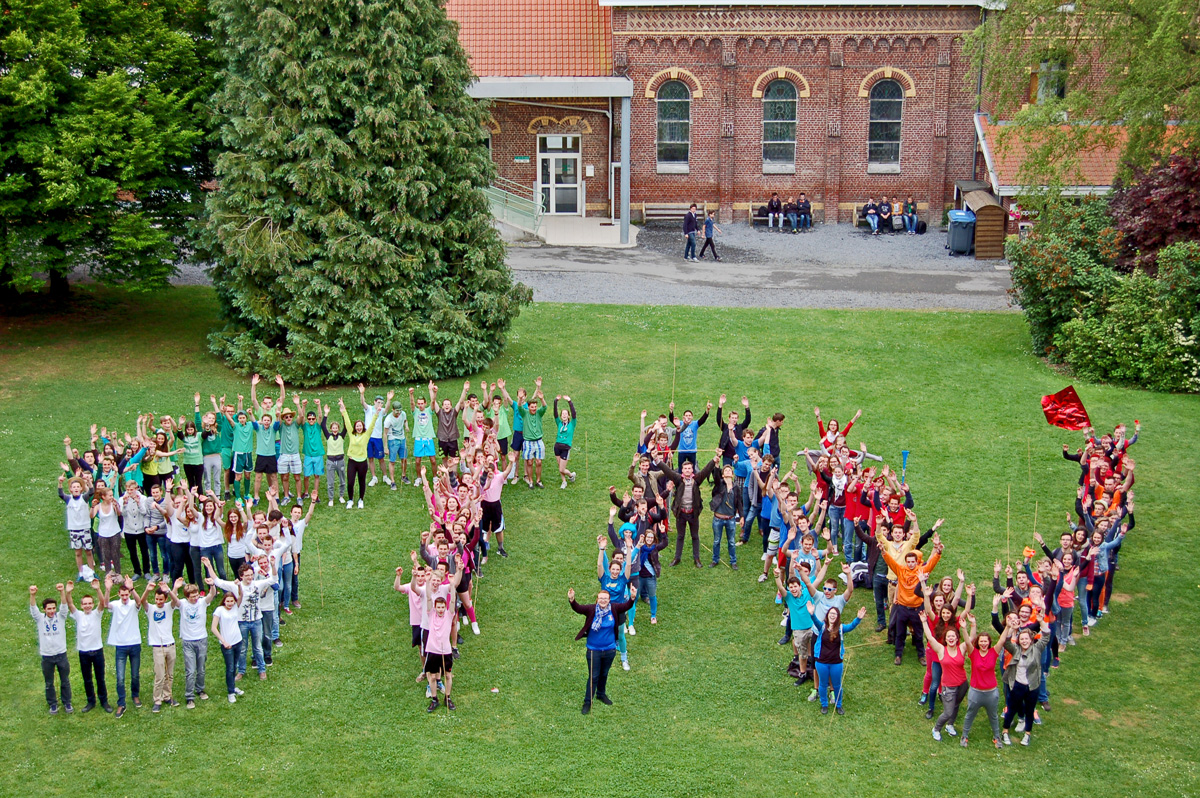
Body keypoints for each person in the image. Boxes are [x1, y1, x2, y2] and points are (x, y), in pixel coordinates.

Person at [568, 584, 636, 714]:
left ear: (609, 600)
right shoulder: (591, 609)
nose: (603, 600)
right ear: (597, 600)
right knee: (593, 676)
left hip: (610, 650)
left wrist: (632, 597)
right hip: (594, 650)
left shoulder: (614, 608)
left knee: (604, 674)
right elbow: (578, 608)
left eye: (605, 598)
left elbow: (626, 606)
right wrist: (572, 600)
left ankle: (601, 694)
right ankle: (588, 702)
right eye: (601, 598)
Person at [881, 535, 943, 665]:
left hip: (917, 608)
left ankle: (921, 655)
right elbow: (890, 561)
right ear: (906, 562)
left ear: (916, 562)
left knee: (919, 634)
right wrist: (883, 551)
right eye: (908, 562)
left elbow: (932, 564)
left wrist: (938, 551)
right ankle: (898, 655)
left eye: (912, 562)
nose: (910, 564)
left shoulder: (921, 570)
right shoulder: (900, 570)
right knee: (900, 633)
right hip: (903, 608)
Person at [659, 451, 721, 567]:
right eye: (685, 468)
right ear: (682, 470)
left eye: (689, 468)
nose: (687, 470)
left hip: (693, 514)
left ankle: (697, 559)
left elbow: (706, 469)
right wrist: (657, 461)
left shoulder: (697, 479)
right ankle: (677, 558)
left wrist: (715, 459)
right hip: (681, 513)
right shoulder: (678, 479)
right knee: (680, 536)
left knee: (695, 536)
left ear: (692, 470)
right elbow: (667, 470)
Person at [961, 602, 1009, 749]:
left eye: (985, 641)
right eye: (981, 641)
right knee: (970, 715)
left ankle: (997, 737)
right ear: (978, 643)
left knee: (993, 716)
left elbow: (1002, 640)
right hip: (975, 691)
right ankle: (964, 736)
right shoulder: (973, 653)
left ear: (989, 643)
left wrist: (1008, 626)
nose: (983, 643)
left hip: (991, 692)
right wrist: (965, 627)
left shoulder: (994, 652)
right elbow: (968, 641)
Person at [1001, 616, 1053, 746]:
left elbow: (1046, 635)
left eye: (1026, 639)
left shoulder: (1037, 649)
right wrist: (1010, 627)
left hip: (1032, 686)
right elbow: (1006, 641)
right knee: (1011, 708)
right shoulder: (1016, 649)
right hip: (1017, 684)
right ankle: (1005, 732)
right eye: (1022, 639)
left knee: (1029, 710)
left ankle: (1027, 734)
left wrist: (1041, 620)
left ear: (1031, 640)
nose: (1024, 641)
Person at [920, 609, 968, 740]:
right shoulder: (941, 650)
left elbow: (972, 639)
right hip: (948, 686)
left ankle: (950, 725)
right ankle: (936, 729)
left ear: (957, 638)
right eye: (949, 637)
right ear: (945, 639)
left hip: (963, 684)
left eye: (953, 636)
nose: (951, 638)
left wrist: (966, 627)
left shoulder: (961, 648)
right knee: (947, 712)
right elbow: (930, 637)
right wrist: (924, 622)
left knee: (956, 706)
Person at [810, 605, 867, 714]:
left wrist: (858, 618)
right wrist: (812, 613)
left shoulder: (841, 628)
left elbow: (851, 626)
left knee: (837, 685)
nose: (832, 615)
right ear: (827, 615)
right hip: (821, 662)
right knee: (822, 684)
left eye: (834, 614)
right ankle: (824, 705)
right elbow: (815, 620)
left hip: (836, 663)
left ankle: (838, 705)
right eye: (830, 613)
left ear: (838, 617)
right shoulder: (822, 627)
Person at [64, 580, 111, 712]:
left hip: (97, 651)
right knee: (87, 679)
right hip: (83, 652)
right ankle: (91, 702)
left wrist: (98, 589)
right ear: (81, 605)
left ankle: (104, 701)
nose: (87, 606)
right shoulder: (78, 615)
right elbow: (70, 604)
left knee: (100, 678)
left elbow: (102, 603)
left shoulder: (97, 614)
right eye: (85, 604)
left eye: (89, 603)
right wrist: (68, 593)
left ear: (92, 604)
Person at [104, 574, 145, 718]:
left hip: (134, 644)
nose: (125, 597)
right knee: (120, 677)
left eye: (127, 594)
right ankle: (121, 703)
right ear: (119, 595)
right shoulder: (115, 605)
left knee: (135, 674)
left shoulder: (134, 604)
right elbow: (105, 604)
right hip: (120, 645)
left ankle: (135, 695)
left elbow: (140, 602)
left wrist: (132, 588)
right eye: (123, 595)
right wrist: (107, 590)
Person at [29, 583, 71, 714]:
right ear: (44, 610)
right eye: (49, 609)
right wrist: (32, 595)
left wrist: (62, 591)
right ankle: (53, 704)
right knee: (49, 683)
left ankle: (67, 702)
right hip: (47, 656)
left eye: (53, 608)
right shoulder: (40, 619)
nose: (52, 611)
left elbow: (64, 606)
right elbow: (33, 608)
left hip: (61, 654)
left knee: (65, 680)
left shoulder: (61, 616)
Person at [340, 392, 387, 509]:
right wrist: (343, 409)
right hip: (352, 461)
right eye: (357, 426)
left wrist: (376, 414)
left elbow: (372, 425)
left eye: (361, 426)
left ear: (363, 427)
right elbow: (347, 422)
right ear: (355, 427)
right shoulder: (351, 434)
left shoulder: (366, 435)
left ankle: (361, 499)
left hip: (362, 462)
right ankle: (350, 500)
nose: (359, 427)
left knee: (361, 482)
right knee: (350, 482)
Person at [144, 578, 181, 712]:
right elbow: (142, 602)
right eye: (157, 599)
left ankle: (167, 696)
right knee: (159, 675)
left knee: (169, 674)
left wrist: (170, 590)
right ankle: (157, 699)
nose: (159, 602)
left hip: (170, 645)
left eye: (161, 599)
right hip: (157, 646)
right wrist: (147, 591)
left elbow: (176, 601)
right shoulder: (151, 609)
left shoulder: (168, 607)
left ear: (165, 599)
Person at [179, 580, 215, 708]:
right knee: (190, 670)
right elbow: (174, 601)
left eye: (196, 595)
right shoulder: (182, 604)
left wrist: (212, 585)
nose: (195, 598)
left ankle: (200, 689)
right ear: (187, 597)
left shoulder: (202, 602)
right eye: (192, 597)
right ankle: (189, 696)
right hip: (188, 640)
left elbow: (212, 595)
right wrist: (172, 589)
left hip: (201, 639)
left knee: (201, 668)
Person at [58, 473, 97, 581]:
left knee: (88, 550)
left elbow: (91, 491)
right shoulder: (68, 499)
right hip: (74, 529)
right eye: (73, 487)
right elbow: (60, 494)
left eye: (78, 487)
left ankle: (92, 572)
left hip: (84, 528)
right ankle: (80, 573)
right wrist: (60, 483)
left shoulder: (84, 498)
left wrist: (88, 481)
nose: (76, 489)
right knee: (78, 552)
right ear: (70, 489)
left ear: (81, 488)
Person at [210, 591, 245, 703]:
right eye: (228, 601)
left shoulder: (235, 607)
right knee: (230, 668)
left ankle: (233, 687)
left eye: (232, 601)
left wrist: (239, 585)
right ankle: (230, 692)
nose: (230, 603)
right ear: (224, 601)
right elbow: (213, 628)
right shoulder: (219, 610)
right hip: (227, 644)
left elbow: (241, 595)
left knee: (234, 666)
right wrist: (223, 641)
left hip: (237, 641)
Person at [709, 462, 743, 568]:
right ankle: (715, 559)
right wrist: (717, 465)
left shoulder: (736, 487)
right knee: (716, 541)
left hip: (730, 519)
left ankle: (733, 561)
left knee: (732, 541)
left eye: (730, 470)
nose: (728, 471)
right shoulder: (719, 485)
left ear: (732, 474)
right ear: (723, 475)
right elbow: (715, 477)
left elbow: (739, 503)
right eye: (725, 470)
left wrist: (742, 516)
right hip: (718, 518)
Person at [357, 383, 388, 487]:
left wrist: (388, 400)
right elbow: (362, 402)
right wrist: (362, 393)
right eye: (378, 402)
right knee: (370, 458)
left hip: (378, 437)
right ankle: (374, 477)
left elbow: (387, 409)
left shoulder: (382, 411)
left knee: (381, 458)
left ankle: (385, 476)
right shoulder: (369, 409)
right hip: (369, 437)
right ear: (375, 402)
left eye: (381, 403)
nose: (380, 404)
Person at [518, 378, 548, 488]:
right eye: (532, 407)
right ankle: (530, 480)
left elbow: (544, 407)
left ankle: (538, 480)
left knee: (539, 462)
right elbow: (519, 406)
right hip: (528, 442)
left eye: (535, 407)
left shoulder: (539, 413)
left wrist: (542, 398)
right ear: (529, 407)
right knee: (529, 462)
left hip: (539, 441)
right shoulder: (525, 413)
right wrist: (520, 398)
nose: (534, 408)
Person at [409, 384, 438, 485]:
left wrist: (434, 392)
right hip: (418, 439)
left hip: (428, 438)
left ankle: (435, 477)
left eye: (422, 403)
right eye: (419, 403)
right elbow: (412, 403)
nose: (420, 405)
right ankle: (418, 478)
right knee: (417, 461)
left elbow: (433, 402)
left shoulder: (429, 411)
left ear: (425, 404)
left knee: (433, 460)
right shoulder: (415, 411)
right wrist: (411, 394)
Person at [553, 395, 578, 489]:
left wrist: (569, 402)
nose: (564, 415)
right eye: (562, 414)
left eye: (565, 413)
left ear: (568, 415)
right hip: (557, 447)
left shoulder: (572, 424)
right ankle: (564, 481)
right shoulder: (559, 423)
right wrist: (556, 401)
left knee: (561, 468)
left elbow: (574, 414)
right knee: (560, 466)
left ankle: (571, 475)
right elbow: (554, 413)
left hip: (565, 448)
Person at [384, 400, 409, 488]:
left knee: (404, 459)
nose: (399, 413)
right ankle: (393, 481)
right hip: (393, 440)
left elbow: (405, 420)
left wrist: (406, 426)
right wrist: (385, 447)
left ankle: (403, 476)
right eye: (397, 411)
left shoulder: (403, 414)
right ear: (393, 409)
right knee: (392, 461)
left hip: (402, 439)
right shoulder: (388, 419)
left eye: (400, 410)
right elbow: (385, 433)